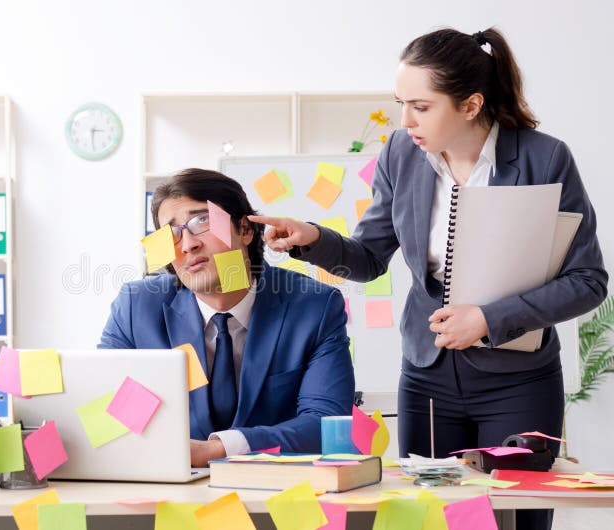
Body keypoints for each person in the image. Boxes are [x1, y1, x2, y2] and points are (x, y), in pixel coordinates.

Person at [249, 28, 607, 530]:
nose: (405, 121)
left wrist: (487, 318)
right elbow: (370, 257)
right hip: (426, 376)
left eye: (420, 106)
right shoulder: (400, 153)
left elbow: (587, 280)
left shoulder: (544, 159)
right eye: (401, 104)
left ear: (469, 104)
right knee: (427, 519)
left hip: (518, 382)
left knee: (516, 521)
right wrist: (312, 238)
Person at [99, 168, 355, 467]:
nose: (187, 244)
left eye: (202, 221)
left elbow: (325, 426)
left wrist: (218, 449)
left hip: (277, 495)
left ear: (245, 230)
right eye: (170, 235)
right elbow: (108, 408)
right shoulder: (136, 306)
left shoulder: (314, 307)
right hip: (170, 495)